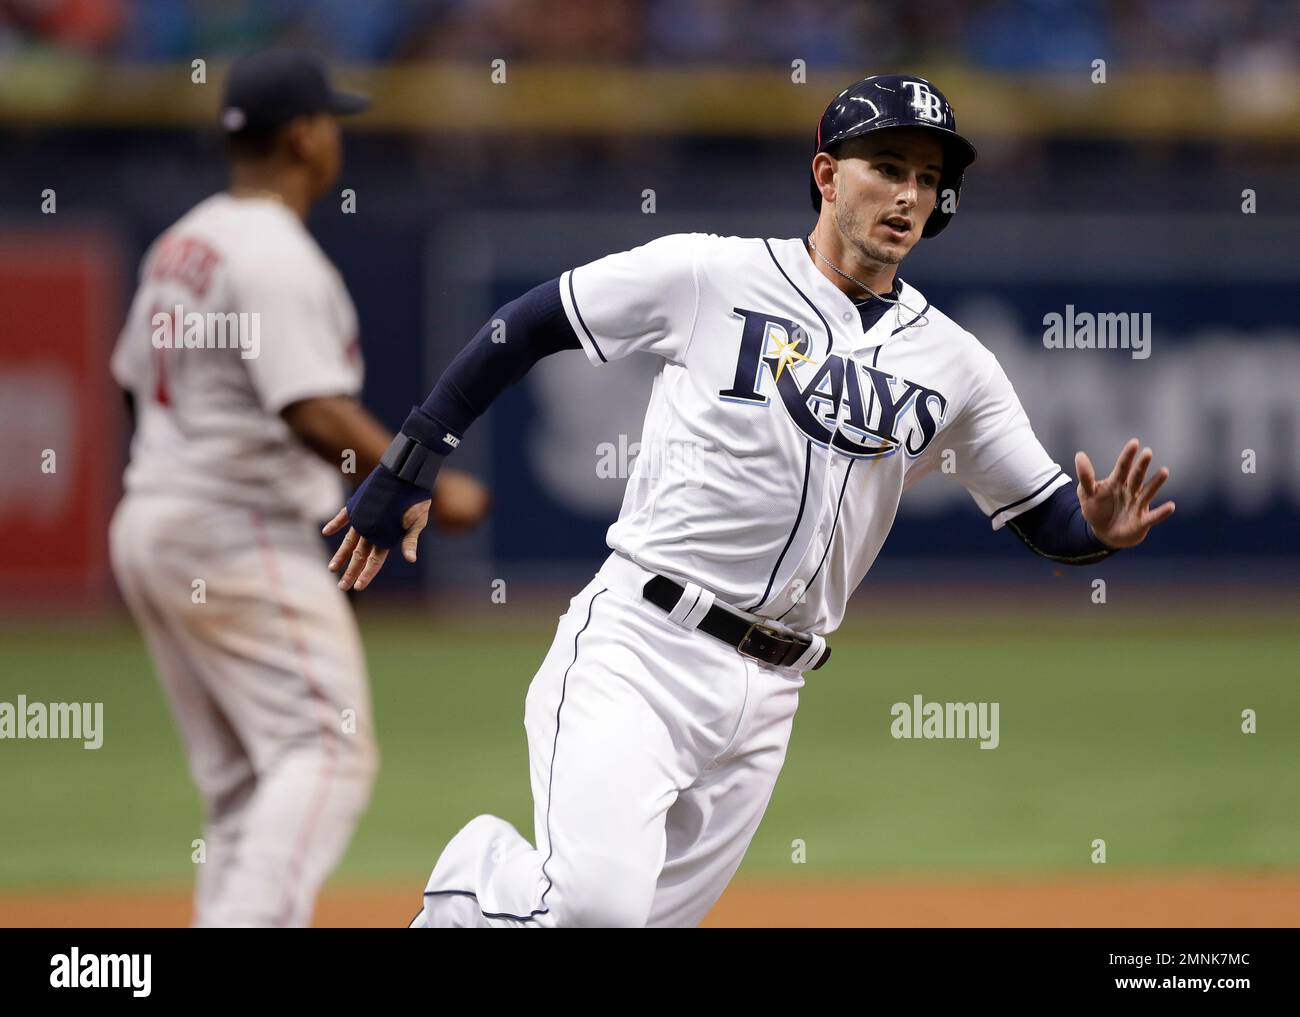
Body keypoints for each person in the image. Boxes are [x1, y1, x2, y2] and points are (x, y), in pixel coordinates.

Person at [325, 74, 1174, 928]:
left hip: (773, 687)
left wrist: (1096, 529)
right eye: (887, 165)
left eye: (928, 177)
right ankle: (477, 875)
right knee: (595, 911)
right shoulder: (710, 273)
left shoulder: (956, 364)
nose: (910, 193)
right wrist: (407, 463)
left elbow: (1045, 515)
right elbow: (530, 321)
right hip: (641, 644)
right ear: (827, 173)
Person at [108, 48, 488, 927]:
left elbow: (131, 379)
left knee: (245, 777)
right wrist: (420, 480)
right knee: (327, 749)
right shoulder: (276, 255)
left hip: (154, 518)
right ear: (306, 136)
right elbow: (312, 410)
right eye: (332, 124)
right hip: (237, 528)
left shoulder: (185, 240)